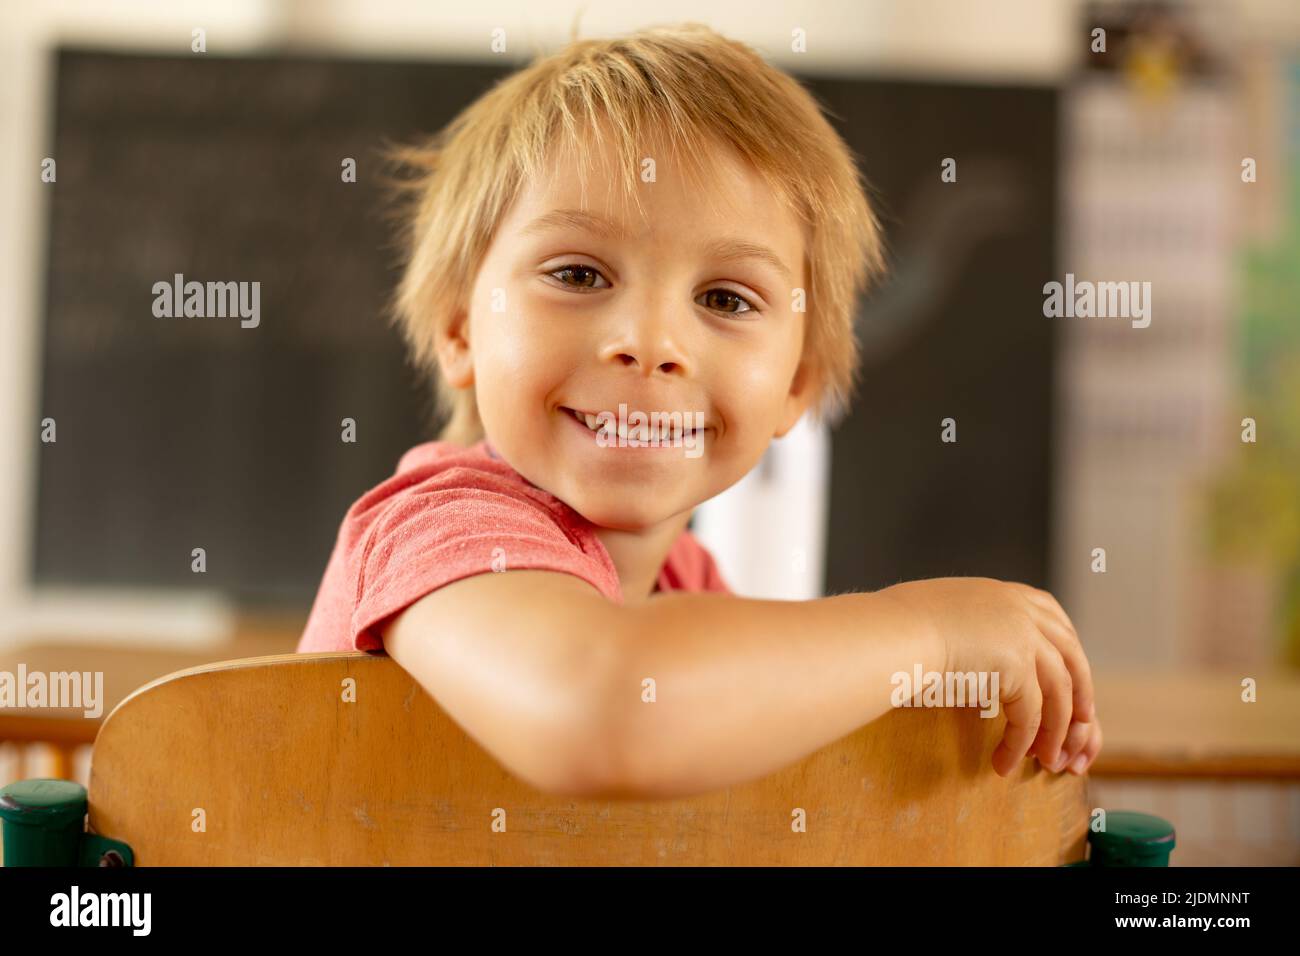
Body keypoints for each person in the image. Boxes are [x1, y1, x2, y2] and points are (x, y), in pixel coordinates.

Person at [297, 23, 1102, 800]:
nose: (650, 343)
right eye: (578, 275)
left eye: (725, 297)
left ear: (797, 386)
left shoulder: (688, 592)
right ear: (460, 327)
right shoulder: (443, 529)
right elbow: (606, 713)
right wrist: (925, 631)